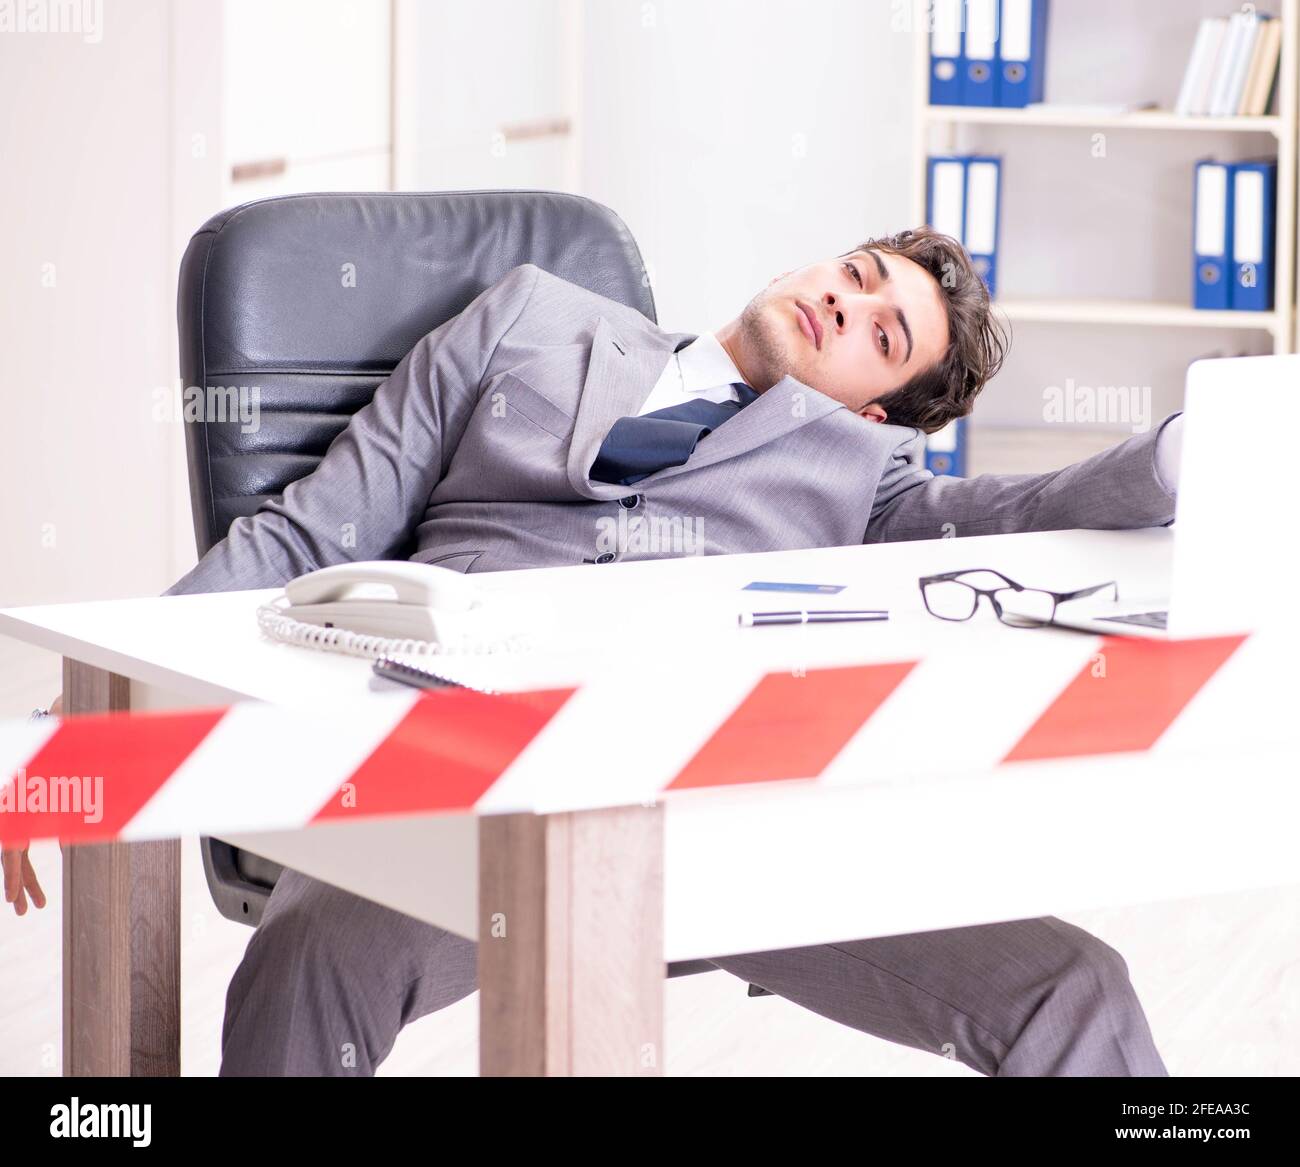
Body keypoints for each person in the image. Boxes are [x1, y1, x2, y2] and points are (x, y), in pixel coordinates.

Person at [7, 227, 1181, 1075]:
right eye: (857, 276)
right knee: (312, 949)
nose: (847, 304)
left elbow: (1034, 512)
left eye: (883, 336)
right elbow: (310, 534)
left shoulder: (862, 478)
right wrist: (87, 729)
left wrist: (1201, 449)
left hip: (714, 833)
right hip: (459, 789)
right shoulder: (530, 317)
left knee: (1074, 994)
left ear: (873, 411)